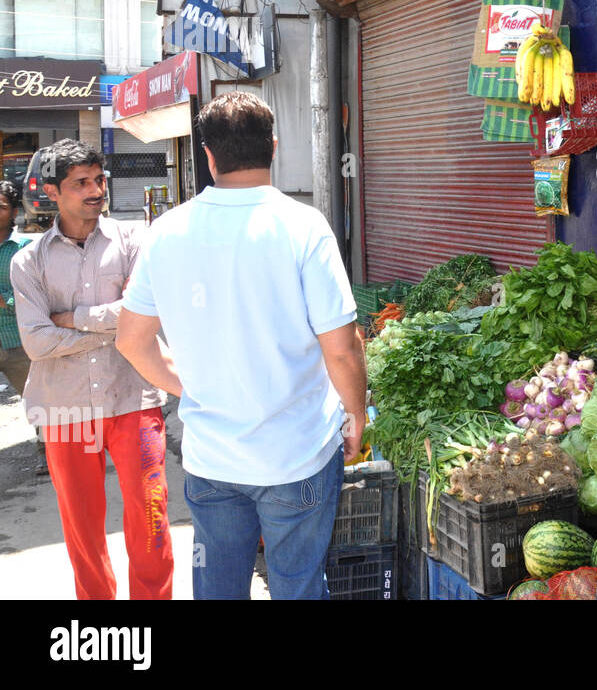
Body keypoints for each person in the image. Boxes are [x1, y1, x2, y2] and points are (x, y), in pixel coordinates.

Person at [116, 92, 365, 600]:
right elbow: (341, 348)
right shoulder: (303, 226)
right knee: (297, 586)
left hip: (212, 462)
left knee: (219, 589)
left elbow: (131, 341)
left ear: (208, 156)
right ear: (274, 146)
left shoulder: (164, 232)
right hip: (297, 458)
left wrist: (192, 387)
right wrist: (356, 414)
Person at [10, 139, 173, 600]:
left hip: (133, 397)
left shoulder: (133, 241)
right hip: (65, 409)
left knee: (151, 519)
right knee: (82, 529)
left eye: (99, 180)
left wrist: (73, 317)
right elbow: (37, 342)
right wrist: (113, 323)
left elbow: (148, 313)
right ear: (52, 191)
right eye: (80, 183)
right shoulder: (29, 260)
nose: (95, 190)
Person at [0, 181, 34, 398]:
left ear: (14, 212)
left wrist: (5, 300)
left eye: (1, 207)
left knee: (40, 405)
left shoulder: (25, 248)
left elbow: (37, 297)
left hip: (18, 344)